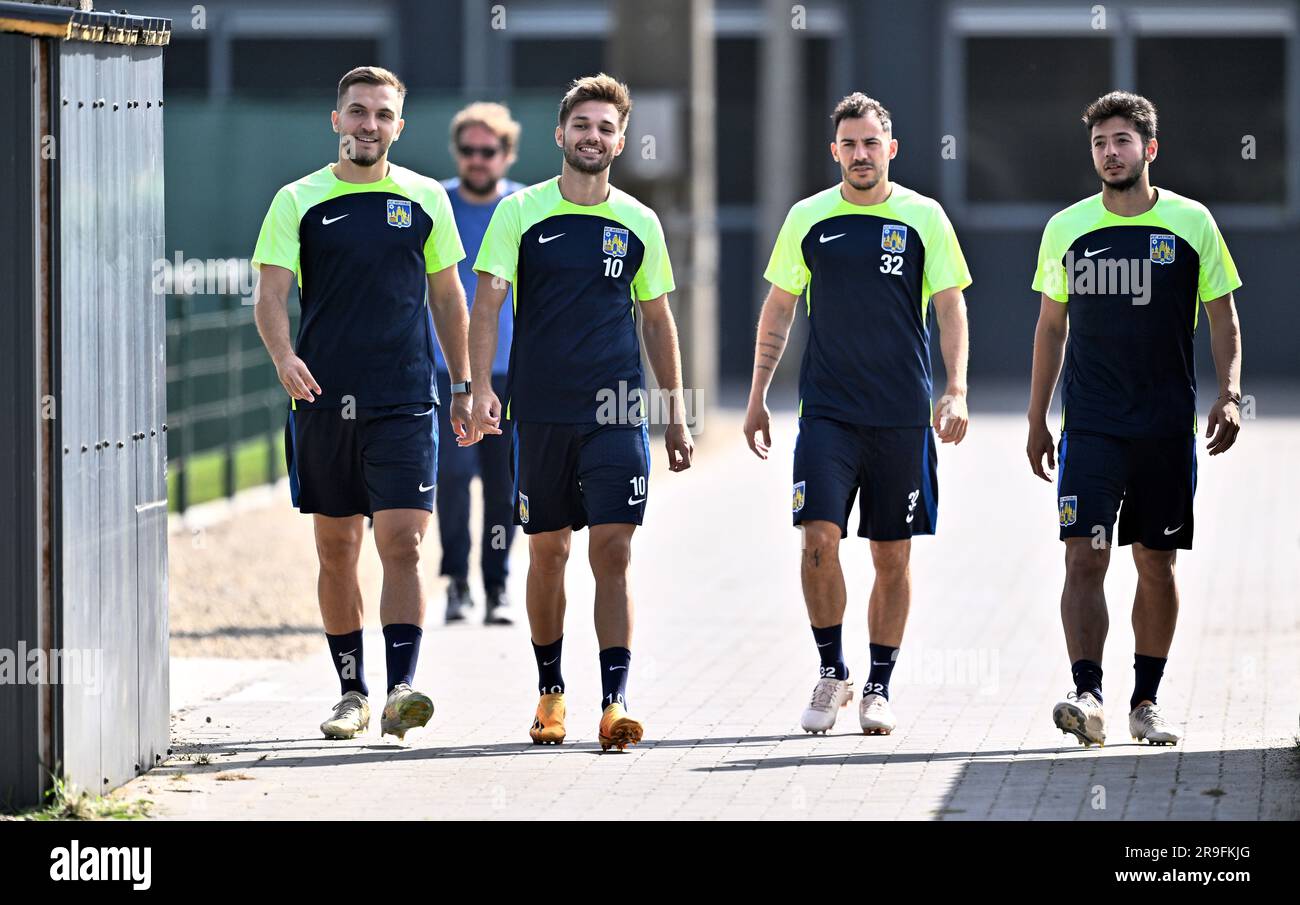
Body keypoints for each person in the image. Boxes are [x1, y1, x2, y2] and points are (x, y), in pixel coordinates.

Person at [464, 73, 694, 750]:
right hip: (540, 410)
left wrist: (674, 413)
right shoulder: (520, 213)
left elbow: (658, 321)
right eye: (582, 126)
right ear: (559, 135)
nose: (593, 137)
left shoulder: (639, 221)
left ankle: (616, 701)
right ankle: (550, 692)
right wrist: (481, 388)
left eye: (605, 128)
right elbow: (486, 304)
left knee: (614, 548)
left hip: (617, 407)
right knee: (548, 550)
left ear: (620, 141)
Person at [251, 66, 471, 741]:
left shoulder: (426, 196)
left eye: (382, 114)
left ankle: (402, 687)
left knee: (401, 541)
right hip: (323, 401)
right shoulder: (297, 199)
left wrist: (462, 384)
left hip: (405, 397)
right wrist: (284, 358)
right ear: (336, 120)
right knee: (338, 545)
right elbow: (270, 294)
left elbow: (448, 296)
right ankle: (351, 692)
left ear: (399, 126)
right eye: (357, 112)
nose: (368, 124)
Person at [743, 92, 972, 736]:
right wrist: (759, 394)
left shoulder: (924, 217)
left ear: (890, 149)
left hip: (901, 415)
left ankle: (878, 685)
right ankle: (831, 672)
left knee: (891, 555)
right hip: (828, 415)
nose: (861, 154)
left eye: (872, 143)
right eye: (850, 144)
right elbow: (780, 308)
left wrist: (955, 389)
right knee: (818, 539)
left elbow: (951, 305)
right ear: (834, 151)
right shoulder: (809, 218)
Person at [1026, 91, 1243, 746]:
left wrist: (1230, 393)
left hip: (1164, 427)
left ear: (1149, 149)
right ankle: (1087, 693)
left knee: (1156, 562)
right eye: (1099, 142)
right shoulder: (1066, 227)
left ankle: (1145, 701)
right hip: (1090, 427)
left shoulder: (1192, 222)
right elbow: (1049, 328)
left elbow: (1223, 317)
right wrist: (1037, 418)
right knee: (1083, 559)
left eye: (1121, 140)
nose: (1109, 153)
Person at [436, 103, 525, 625]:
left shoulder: (522, 207)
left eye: (487, 151)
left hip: (509, 368)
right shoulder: (437, 203)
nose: (476, 160)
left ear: (506, 154)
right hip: (448, 371)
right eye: (467, 150)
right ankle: (456, 583)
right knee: (451, 474)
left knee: (504, 482)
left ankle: (496, 586)